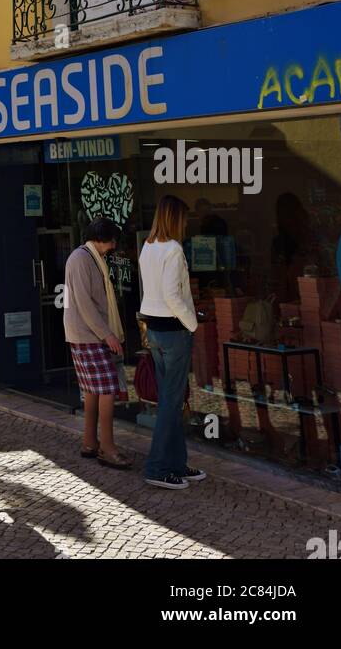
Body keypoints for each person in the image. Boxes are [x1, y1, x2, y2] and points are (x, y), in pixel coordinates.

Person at [139, 194, 204, 490]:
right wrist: (192, 323)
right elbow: (172, 294)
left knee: (171, 400)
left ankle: (175, 464)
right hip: (174, 330)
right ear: (176, 219)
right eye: (185, 218)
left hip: (154, 328)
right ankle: (157, 467)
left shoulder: (148, 246)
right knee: (171, 401)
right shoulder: (174, 249)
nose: (187, 224)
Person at [64, 218, 132, 469]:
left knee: (93, 389)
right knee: (107, 388)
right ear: (102, 239)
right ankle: (108, 447)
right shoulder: (82, 259)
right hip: (88, 334)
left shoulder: (88, 258)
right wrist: (108, 335)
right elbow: (85, 303)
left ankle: (90, 442)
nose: (114, 246)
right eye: (112, 240)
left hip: (85, 333)